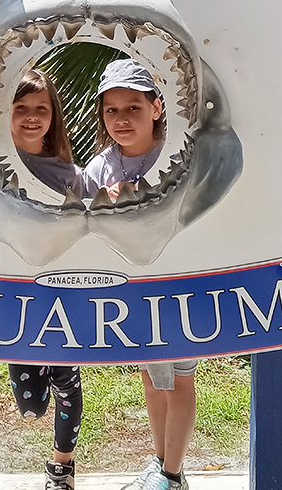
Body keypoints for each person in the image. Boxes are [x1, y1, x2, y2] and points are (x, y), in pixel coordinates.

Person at [83, 58, 197, 490]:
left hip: (181, 287)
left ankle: (171, 472)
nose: (122, 118)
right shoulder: (99, 169)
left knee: (181, 378)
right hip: (132, 290)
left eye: (133, 106)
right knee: (151, 376)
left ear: (157, 107)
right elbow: (85, 226)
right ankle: (162, 464)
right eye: (111, 109)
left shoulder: (180, 155)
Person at [8, 69, 83, 490]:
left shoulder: (66, 173)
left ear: (54, 115)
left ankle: (62, 467)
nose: (32, 117)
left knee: (67, 385)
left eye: (42, 108)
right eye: (21, 108)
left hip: (61, 295)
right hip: (13, 299)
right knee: (32, 404)